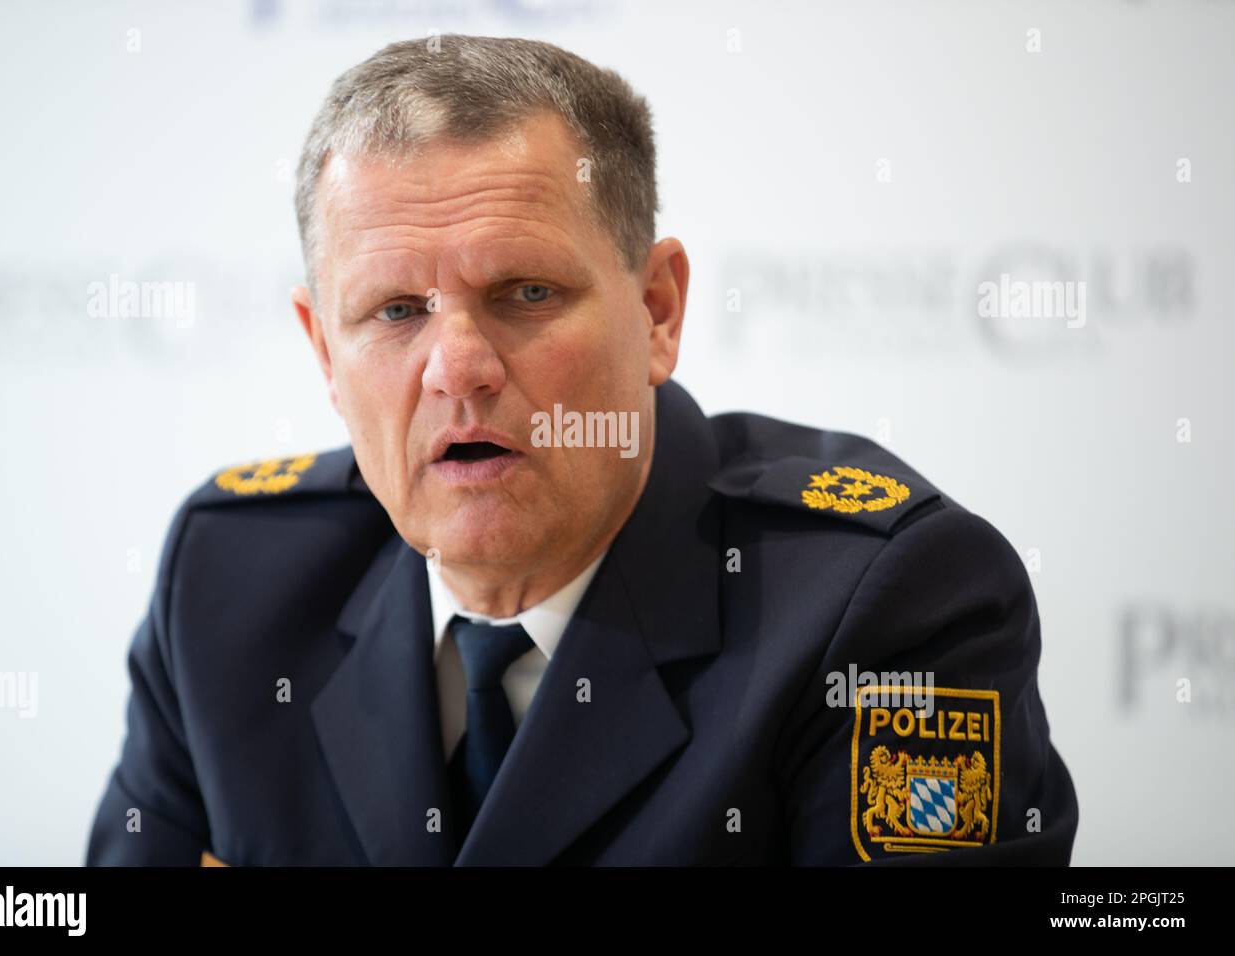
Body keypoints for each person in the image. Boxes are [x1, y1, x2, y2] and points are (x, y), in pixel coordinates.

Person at [85, 35, 1077, 866]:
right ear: (322, 353)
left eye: (526, 294)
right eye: (395, 311)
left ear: (656, 310)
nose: (457, 368)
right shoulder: (229, 584)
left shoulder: (881, 604)